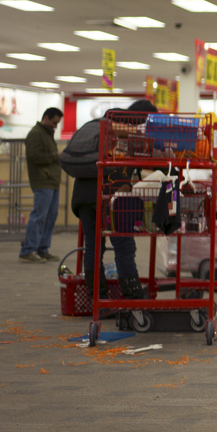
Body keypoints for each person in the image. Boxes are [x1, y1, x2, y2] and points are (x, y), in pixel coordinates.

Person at [72, 101, 152, 301]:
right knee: (124, 243)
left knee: (93, 246)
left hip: (83, 196)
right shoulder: (127, 132)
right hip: (109, 197)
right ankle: (132, 294)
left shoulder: (99, 128)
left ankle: (96, 297)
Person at [19, 107, 63, 263]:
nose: (55, 126)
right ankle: (28, 250)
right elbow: (34, 157)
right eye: (54, 122)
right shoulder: (35, 134)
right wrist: (55, 155)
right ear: (46, 118)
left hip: (51, 181)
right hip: (42, 181)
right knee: (39, 216)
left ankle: (42, 248)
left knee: (50, 217)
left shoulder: (46, 134)